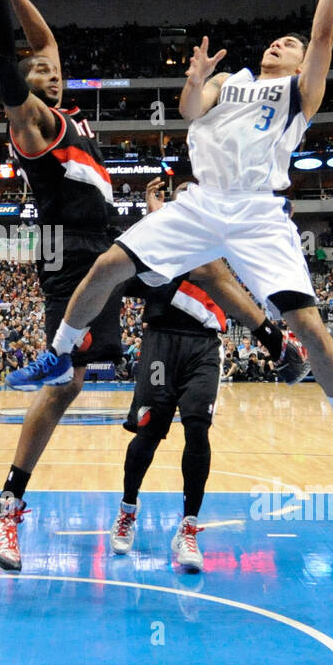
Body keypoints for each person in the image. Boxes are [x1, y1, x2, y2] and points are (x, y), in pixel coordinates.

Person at [0, 0, 333, 536]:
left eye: (288, 45)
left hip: (259, 210)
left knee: (310, 327)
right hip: (203, 202)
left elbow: (324, 35)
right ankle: (58, 353)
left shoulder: (299, 93)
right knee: (108, 266)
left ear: (299, 64)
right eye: (277, 41)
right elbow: (188, 110)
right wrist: (196, 80)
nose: (279, 45)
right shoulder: (231, 80)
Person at [0, 0, 306, 572]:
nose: (51, 71)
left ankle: (273, 340)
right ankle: (7, 503)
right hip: (69, 255)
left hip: (107, 240)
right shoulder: (31, 123)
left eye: (54, 70)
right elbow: (8, 62)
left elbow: (43, 42)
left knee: (200, 264)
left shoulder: (67, 111)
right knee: (66, 383)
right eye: (40, 74)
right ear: (26, 89)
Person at [110, 182, 254, 572]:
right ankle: (127, 509)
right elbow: (135, 266)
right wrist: (154, 216)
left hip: (204, 345)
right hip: (161, 341)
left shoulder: (217, 236)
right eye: (181, 196)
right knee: (147, 433)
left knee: (197, 432)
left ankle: (188, 528)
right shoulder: (160, 235)